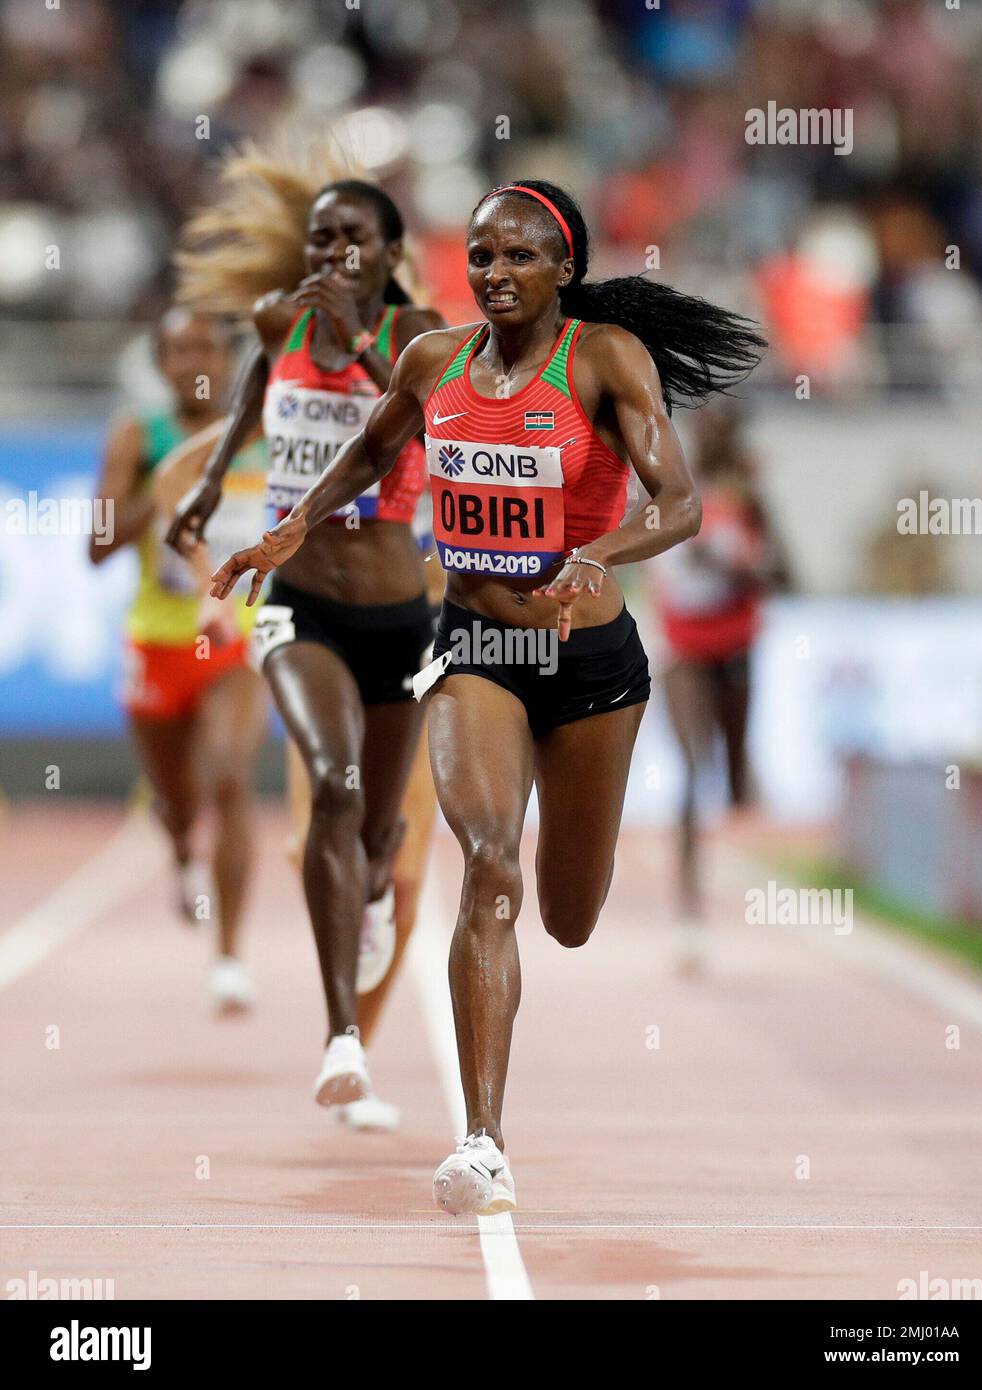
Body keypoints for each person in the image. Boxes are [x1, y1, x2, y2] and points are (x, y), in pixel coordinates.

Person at [209, 179, 764, 1212]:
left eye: (517, 258)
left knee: (567, 914)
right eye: (480, 258)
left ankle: (513, 1027)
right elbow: (371, 452)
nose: (495, 275)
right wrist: (294, 524)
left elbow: (678, 502)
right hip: (471, 643)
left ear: (564, 269)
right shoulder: (432, 361)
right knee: (488, 864)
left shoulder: (603, 359)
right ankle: (483, 1142)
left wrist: (594, 554)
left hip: (589, 667)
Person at [168, 170, 445, 1122]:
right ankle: (341, 1039)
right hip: (300, 603)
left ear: (390, 253)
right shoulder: (275, 320)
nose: (332, 253)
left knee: (375, 842)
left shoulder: (421, 336)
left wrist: (364, 343)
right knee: (333, 783)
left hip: (400, 614)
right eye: (320, 238)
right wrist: (209, 488)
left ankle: (379, 864)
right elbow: (252, 395)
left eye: (352, 238)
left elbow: (418, 423)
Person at [89, 309, 268, 1013]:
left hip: (234, 637)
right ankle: (182, 852)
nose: (194, 360)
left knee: (228, 774)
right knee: (176, 801)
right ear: (160, 364)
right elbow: (97, 544)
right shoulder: (138, 433)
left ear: (227, 360)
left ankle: (228, 955)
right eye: (178, 349)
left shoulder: (256, 433)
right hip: (157, 642)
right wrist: (162, 489)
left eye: (206, 348)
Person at [649, 401, 791, 971]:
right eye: (702, 433)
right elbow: (641, 548)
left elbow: (787, 576)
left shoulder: (749, 500)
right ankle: (689, 916)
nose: (709, 444)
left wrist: (737, 570)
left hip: (735, 651)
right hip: (682, 651)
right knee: (689, 771)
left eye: (719, 434)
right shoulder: (669, 489)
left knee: (732, 785)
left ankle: (744, 777)